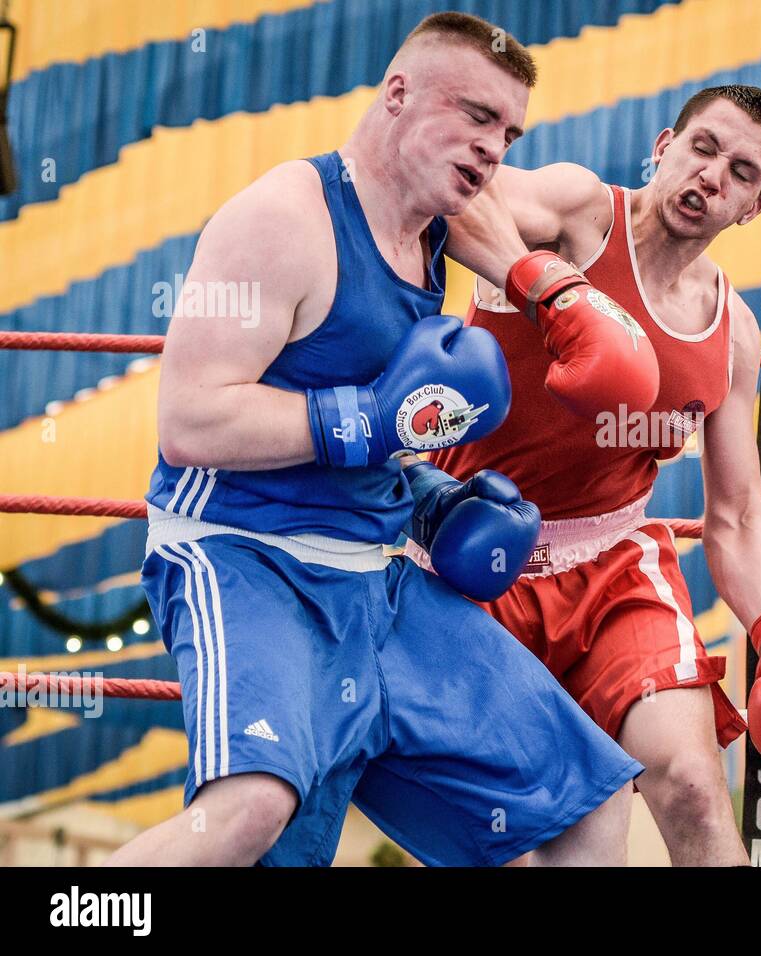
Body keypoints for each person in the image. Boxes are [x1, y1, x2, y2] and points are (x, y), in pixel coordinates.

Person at [104, 12, 647, 868]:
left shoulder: (438, 231)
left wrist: (434, 502)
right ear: (398, 93)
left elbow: (386, 430)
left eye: (508, 131)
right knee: (249, 812)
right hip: (248, 556)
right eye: (475, 115)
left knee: (591, 795)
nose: (492, 146)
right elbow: (190, 422)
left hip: (379, 578)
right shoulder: (284, 217)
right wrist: (372, 418)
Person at [433, 85, 761, 865]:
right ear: (664, 146)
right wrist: (550, 291)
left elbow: (733, 514)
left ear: (753, 206)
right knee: (529, 841)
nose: (712, 176)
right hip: (473, 561)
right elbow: (455, 197)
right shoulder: (577, 214)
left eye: (741, 171)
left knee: (694, 783)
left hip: (613, 569)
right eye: (702, 148)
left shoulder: (732, 331)